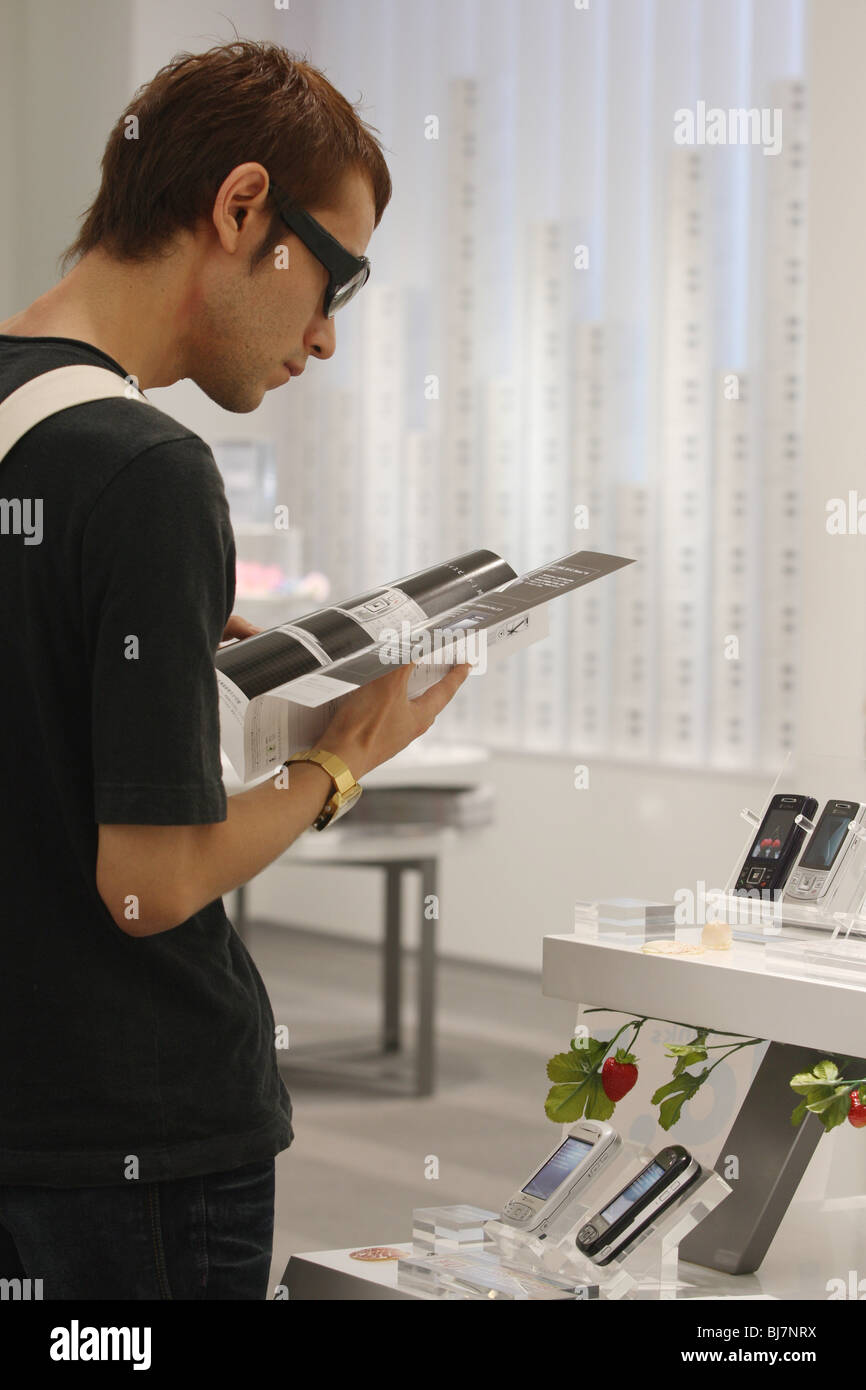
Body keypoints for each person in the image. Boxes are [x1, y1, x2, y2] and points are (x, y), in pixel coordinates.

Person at [0, 37, 469, 1300]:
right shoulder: (146, 469)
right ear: (241, 205)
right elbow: (147, 889)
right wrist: (339, 762)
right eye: (336, 280)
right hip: (127, 1141)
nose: (322, 337)